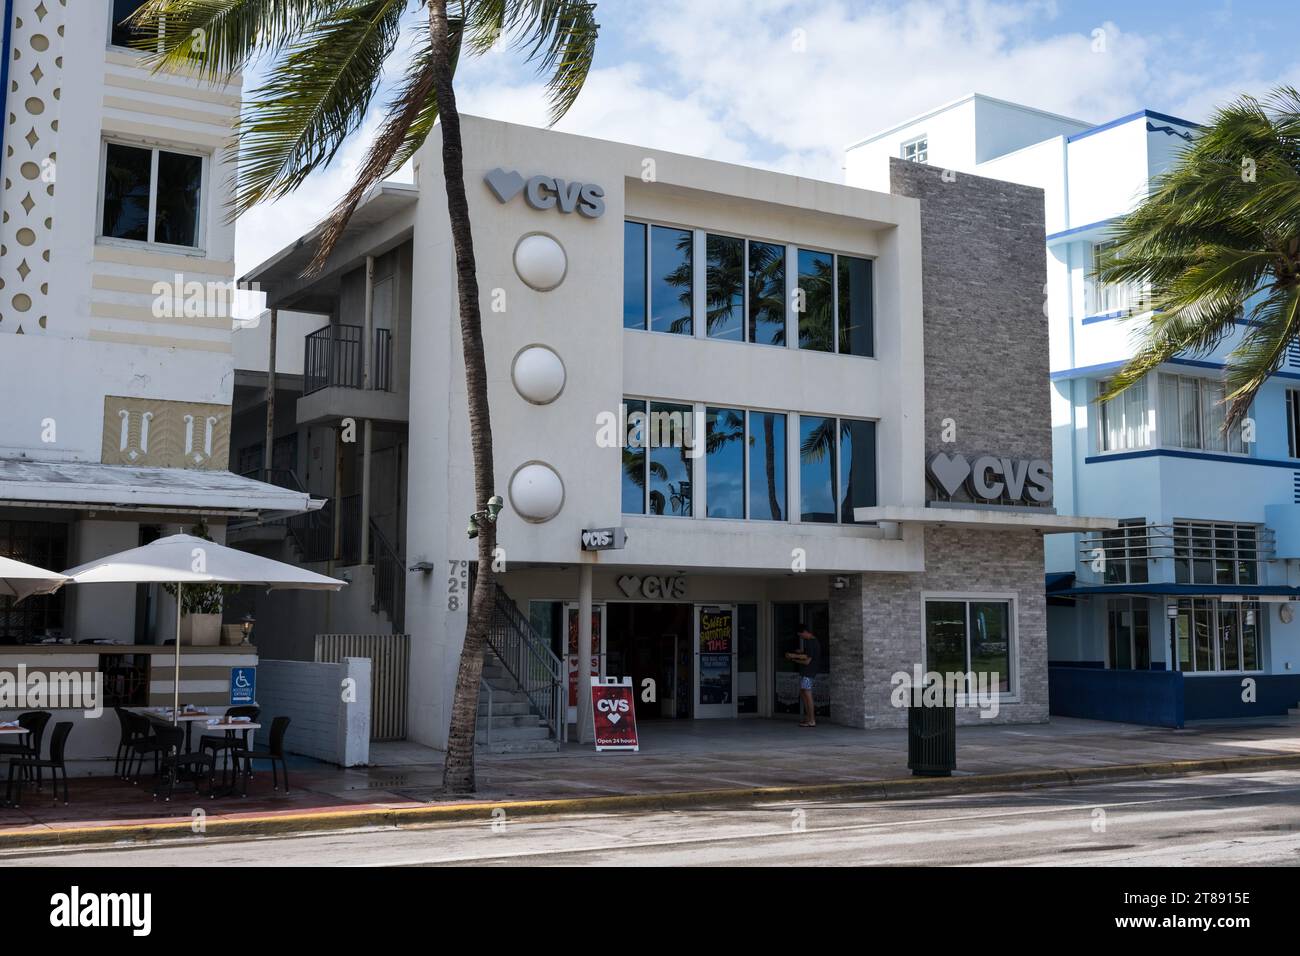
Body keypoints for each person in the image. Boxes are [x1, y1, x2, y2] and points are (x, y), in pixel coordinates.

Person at [784, 623, 821, 727]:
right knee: (803, 693)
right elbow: (808, 654)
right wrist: (800, 653)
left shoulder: (811, 642)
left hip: (809, 672)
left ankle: (812, 720)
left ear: (805, 632)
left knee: (807, 694)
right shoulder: (812, 641)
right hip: (808, 672)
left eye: (801, 635)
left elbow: (807, 661)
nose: (801, 637)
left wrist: (793, 657)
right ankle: (808, 718)